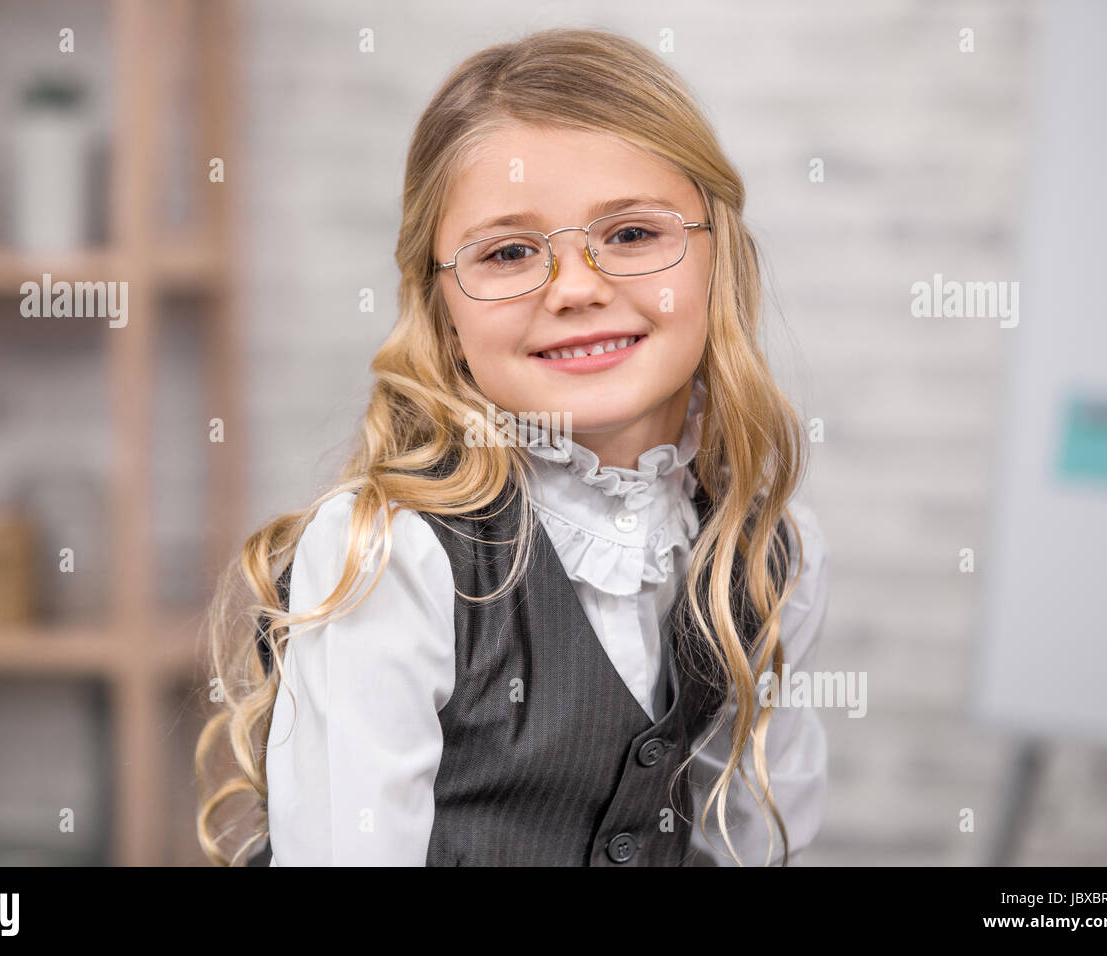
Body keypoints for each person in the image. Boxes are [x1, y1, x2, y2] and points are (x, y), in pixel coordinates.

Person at [196, 26, 831, 867]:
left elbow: (749, 845)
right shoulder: (393, 559)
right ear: (443, 313)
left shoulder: (769, 557)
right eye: (508, 252)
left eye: (633, 234)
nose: (577, 289)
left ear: (720, 259)